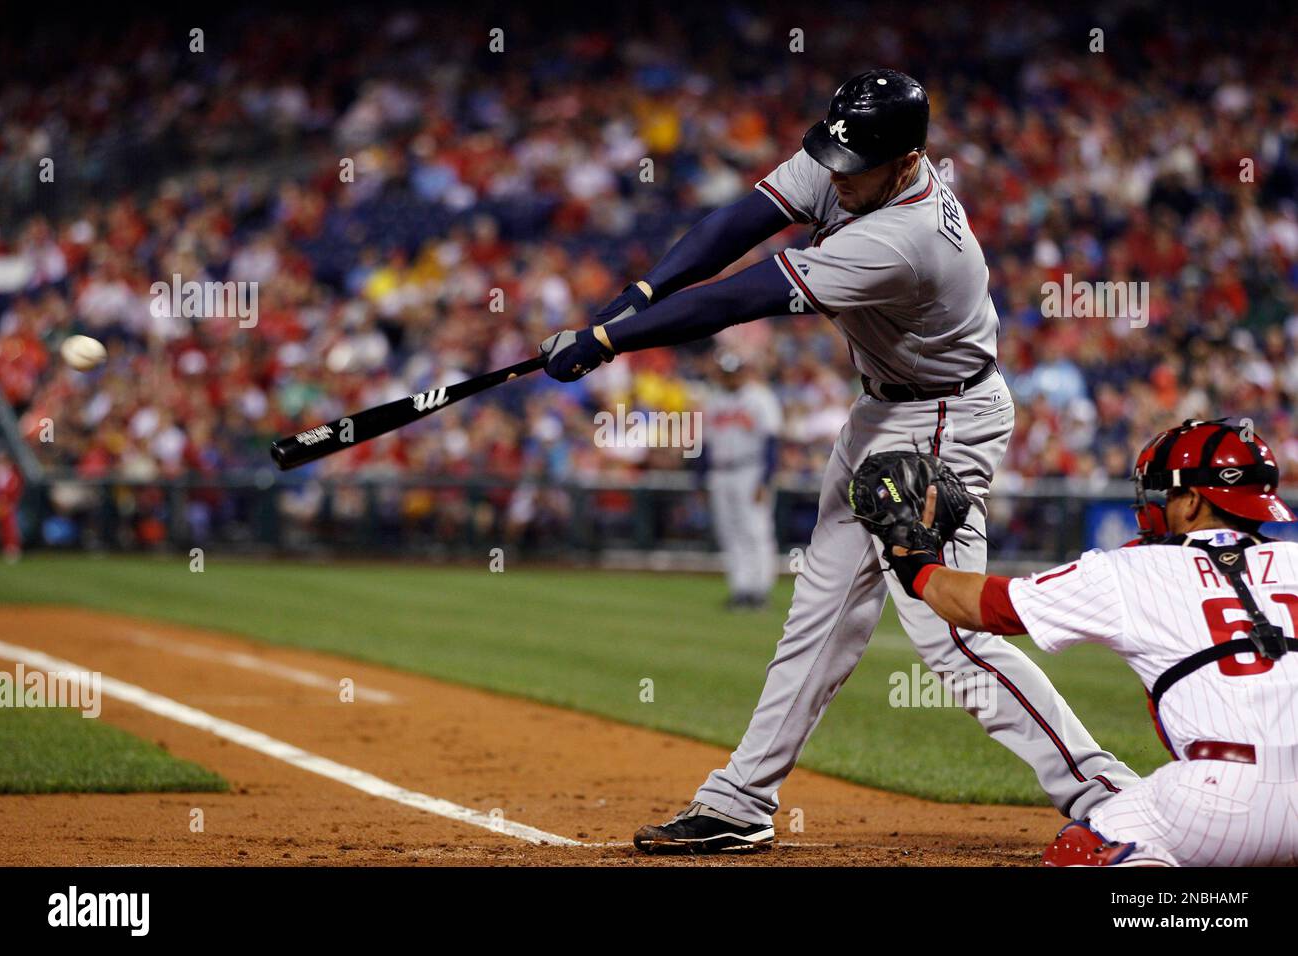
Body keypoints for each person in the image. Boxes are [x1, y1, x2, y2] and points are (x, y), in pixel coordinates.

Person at [540, 69, 1135, 854]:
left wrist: (609, 341)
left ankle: (1110, 793)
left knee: (951, 630)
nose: (836, 175)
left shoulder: (903, 238)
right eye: (834, 155)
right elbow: (739, 223)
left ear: (908, 159)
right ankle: (740, 800)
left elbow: (740, 296)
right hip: (885, 409)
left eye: (857, 165)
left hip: (942, 421)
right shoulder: (855, 160)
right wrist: (643, 290)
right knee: (817, 616)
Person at [881, 420, 1298, 866]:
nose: (1162, 505)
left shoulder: (1135, 568)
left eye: (1170, 495)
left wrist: (916, 563)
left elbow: (988, 608)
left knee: (1081, 851)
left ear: (1193, 501)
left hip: (1213, 798)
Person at [701, 351, 781, 610]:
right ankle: (740, 588)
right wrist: (701, 479)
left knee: (755, 530)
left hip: (751, 469)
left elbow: (771, 441)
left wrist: (765, 480)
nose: (730, 378)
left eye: (734, 373)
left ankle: (760, 590)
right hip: (720, 472)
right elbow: (706, 444)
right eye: (726, 373)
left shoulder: (759, 398)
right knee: (729, 531)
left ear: (743, 372)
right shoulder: (713, 400)